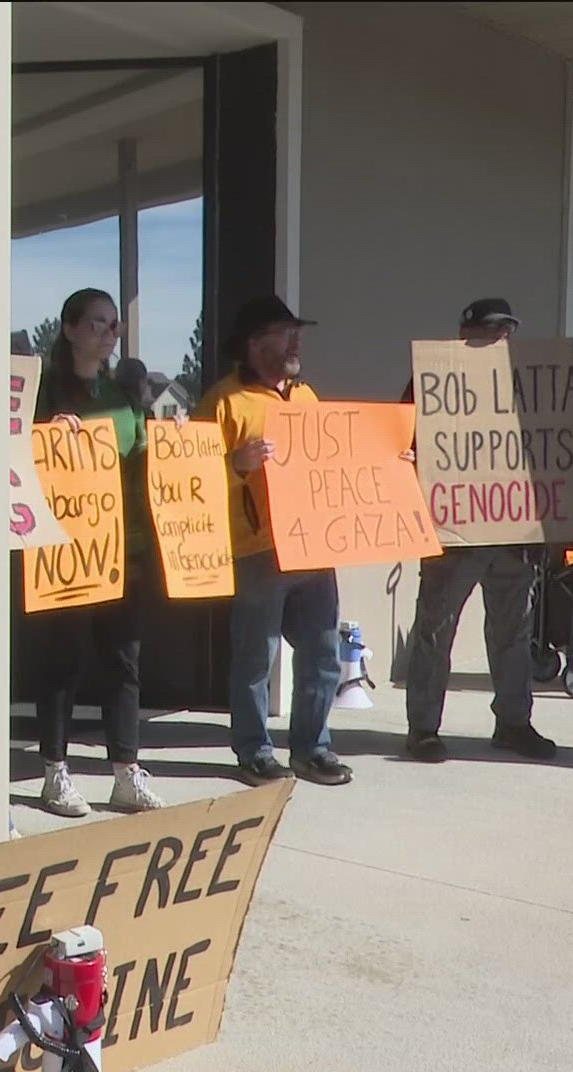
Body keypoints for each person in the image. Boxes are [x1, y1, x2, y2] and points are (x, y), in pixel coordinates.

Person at [195, 295, 354, 786]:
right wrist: (235, 465)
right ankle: (254, 751)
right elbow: (188, 479)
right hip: (257, 549)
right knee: (254, 657)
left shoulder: (305, 398)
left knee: (323, 654)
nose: (296, 341)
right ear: (254, 343)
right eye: (285, 333)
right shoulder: (222, 402)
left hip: (313, 546)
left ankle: (312, 748)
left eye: (297, 332)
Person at [400, 299, 558, 762]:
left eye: (506, 332)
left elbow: (550, 444)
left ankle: (513, 722)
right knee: (435, 629)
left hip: (513, 530)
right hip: (453, 531)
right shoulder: (433, 378)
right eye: (491, 331)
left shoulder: (526, 382)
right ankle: (423, 728)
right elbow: (402, 436)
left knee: (514, 631)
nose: (500, 339)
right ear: (465, 333)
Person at [29, 288, 167, 817]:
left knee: (124, 663)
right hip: (63, 550)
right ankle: (54, 772)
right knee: (61, 663)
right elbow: (13, 448)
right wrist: (45, 435)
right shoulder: (42, 392)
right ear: (68, 329)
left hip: (121, 547)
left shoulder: (122, 397)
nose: (110, 334)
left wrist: (171, 442)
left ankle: (125, 772)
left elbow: (142, 460)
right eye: (98, 324)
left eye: (114, 326)